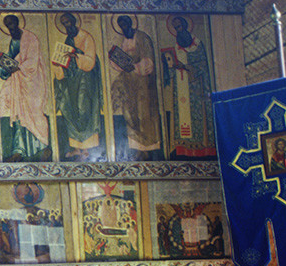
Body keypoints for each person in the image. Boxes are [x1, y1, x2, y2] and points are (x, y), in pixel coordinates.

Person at [0, 14, 51, 161]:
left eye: (11, 24)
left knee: (35, 113)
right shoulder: (13, 41)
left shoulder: (30, 38)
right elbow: (13, 58)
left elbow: (32, 61)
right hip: (19, 82)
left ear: (17, 23)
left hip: (33, 81)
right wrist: (2, 63)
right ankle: (19, 151)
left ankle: (43, 146)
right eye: (7, 25)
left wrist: (17, 67)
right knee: (19, 115)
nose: (10, 27)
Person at [160, 16, 216, 159]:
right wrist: (169, 66)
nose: (178, 31)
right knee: (181, 116)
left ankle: (203, 150)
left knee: (197, 117)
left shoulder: (197, 45)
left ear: (185, 26)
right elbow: (171, 68)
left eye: (179, 27)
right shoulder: (176, 47)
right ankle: (183, 149)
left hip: (196, 87)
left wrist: (185, 66)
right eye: (175, 28)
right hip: (180, 87)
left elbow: (202, 65)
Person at [52, 12, 104, 161]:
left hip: (86, 80)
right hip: (71, 81)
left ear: (74, 22)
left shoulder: (86, 37)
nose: (66, 26)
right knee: (70, 109)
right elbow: (63, 65)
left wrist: (76, 56)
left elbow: (90, 61)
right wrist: (58, 65)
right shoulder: (67, 41)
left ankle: (88, 148)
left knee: (84, 108)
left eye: (68, 23)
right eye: (63, 24)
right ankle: (76, 148)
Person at [109, 15, 162, 160]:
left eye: (125, 24)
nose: (124, 27)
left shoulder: (142, 38)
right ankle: (136, 148)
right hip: (128, 83)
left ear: (131, 23)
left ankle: (148, 148)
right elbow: (117, 63)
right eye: (121, 25)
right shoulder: (122, 41)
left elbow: (148, 61)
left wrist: (133, 66)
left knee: (143, 113)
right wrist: (118, 62)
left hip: (143, 84)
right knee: (129, 113)